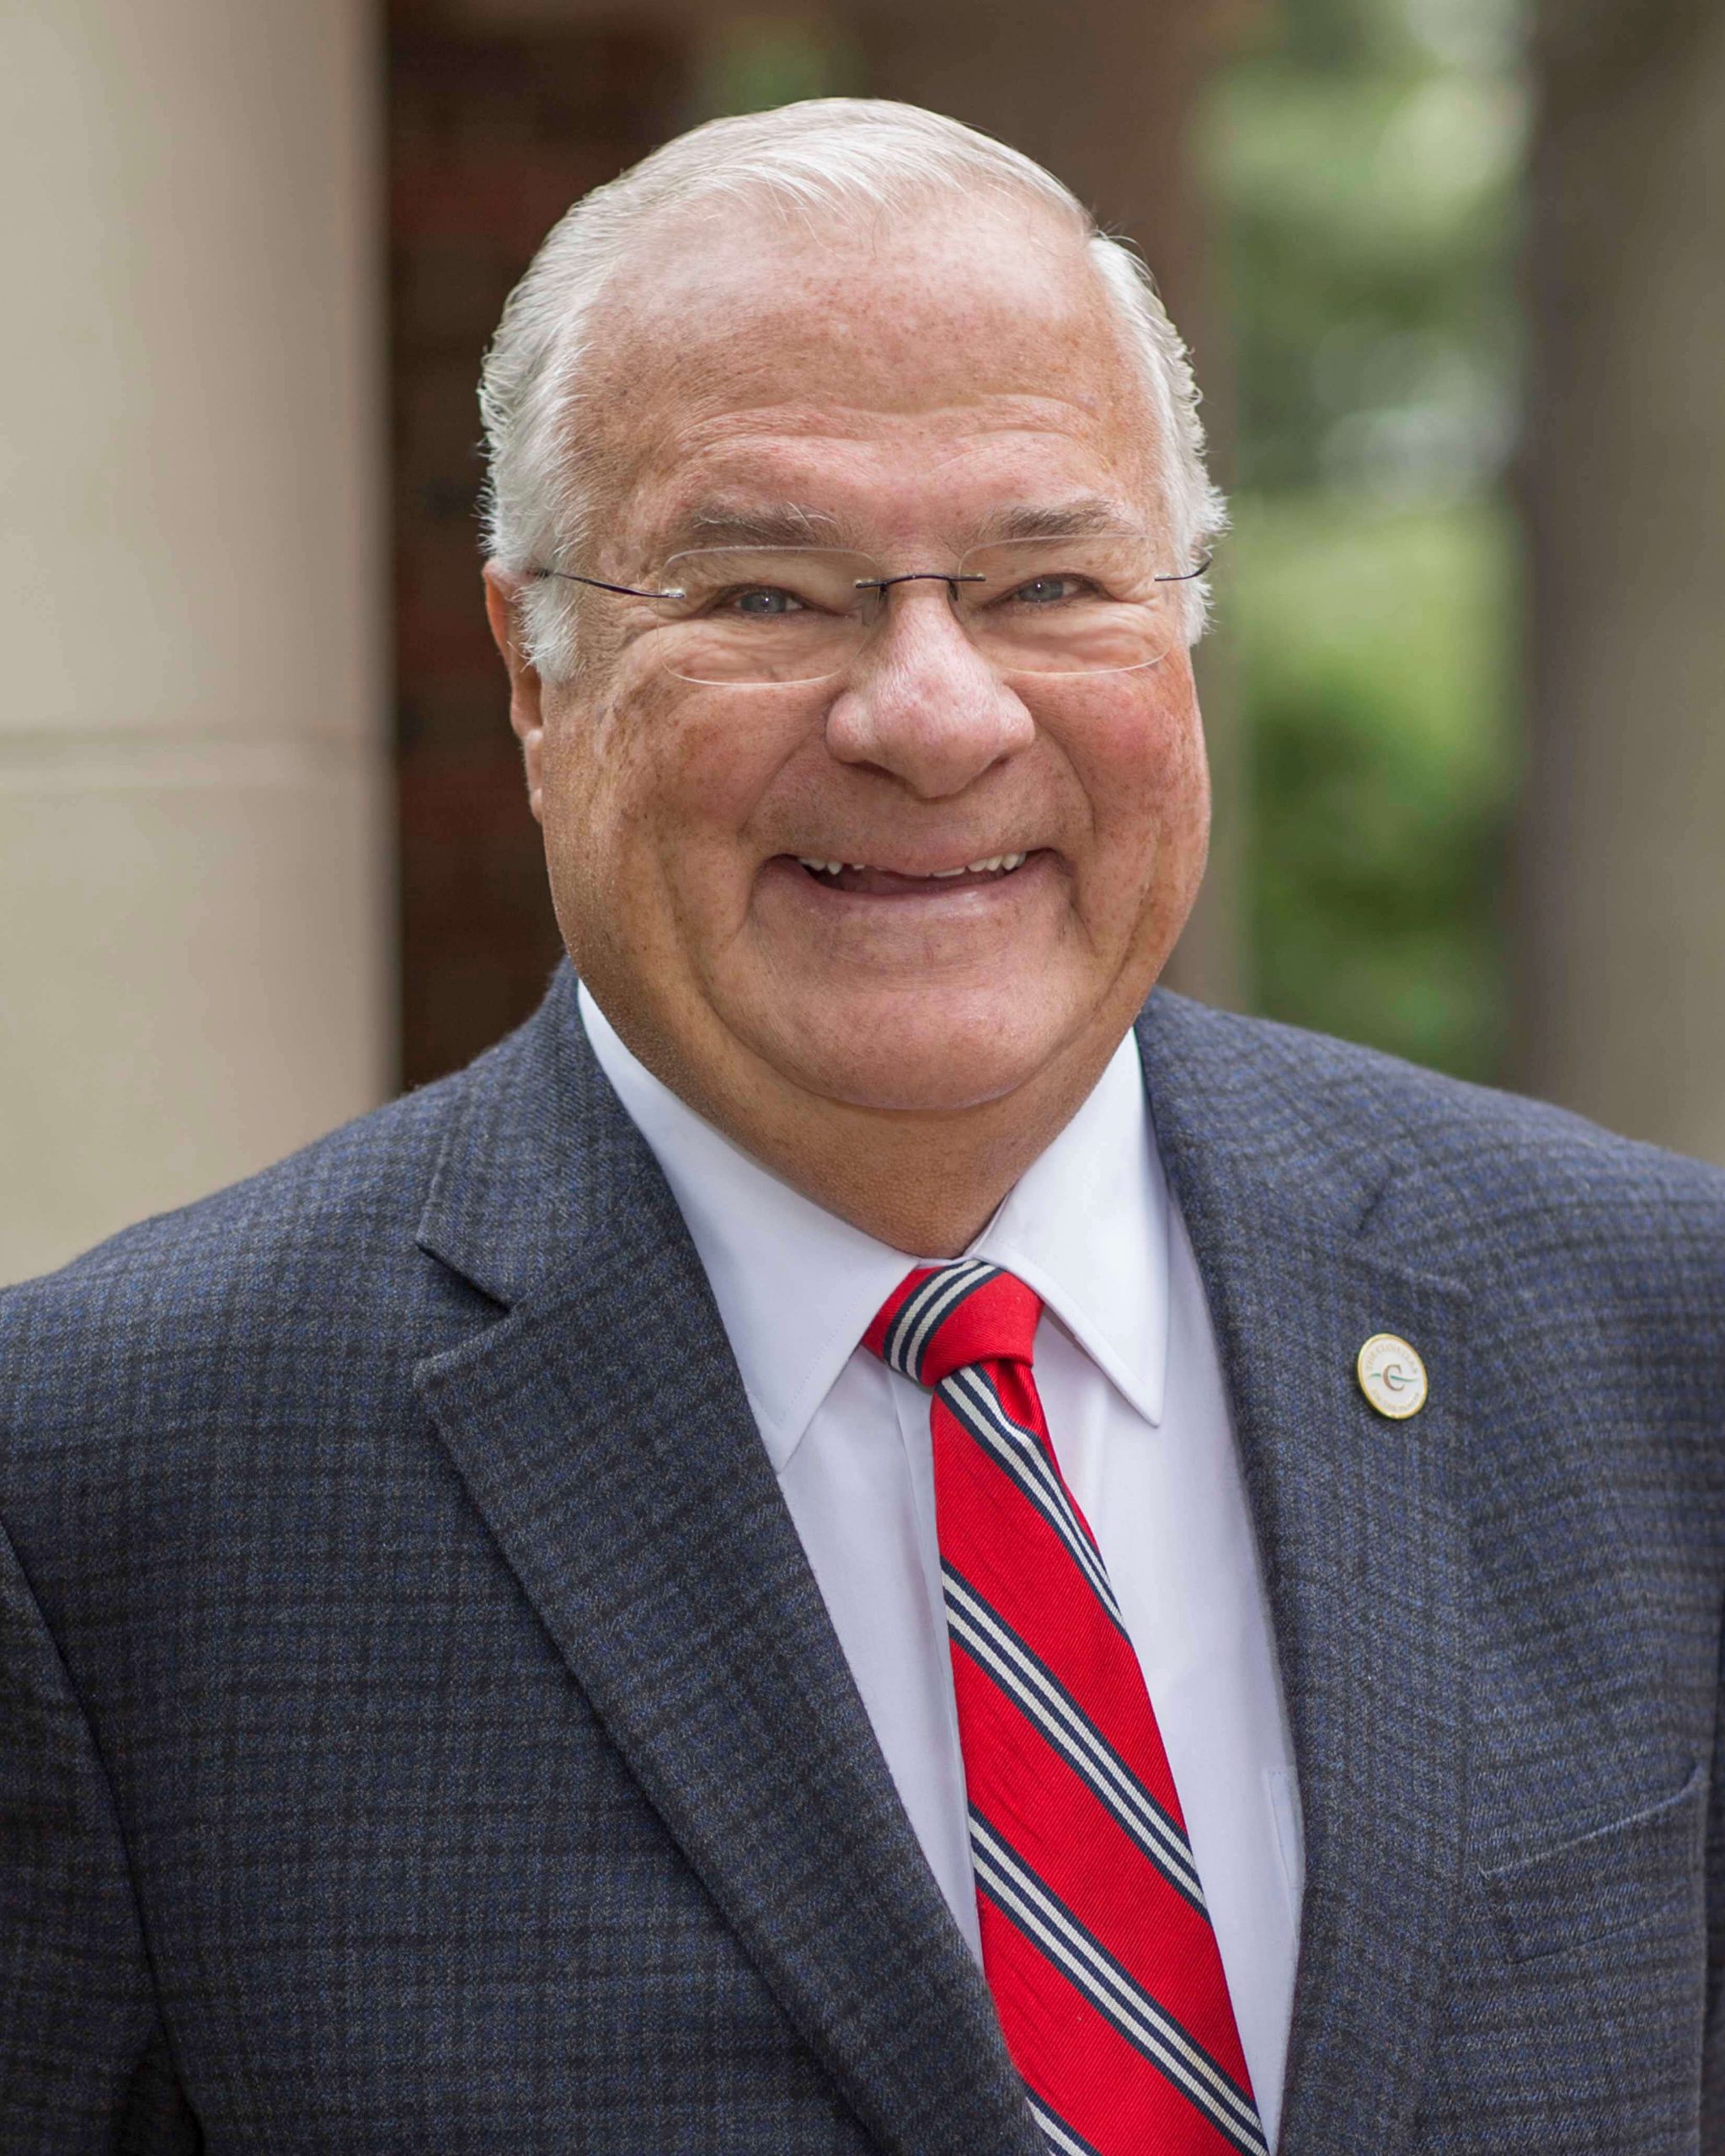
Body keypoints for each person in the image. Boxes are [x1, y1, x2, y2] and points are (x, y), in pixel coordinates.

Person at [2, 98, 1722, 2156]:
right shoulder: (102, 1491)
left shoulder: (1655, 1337)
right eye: (763, 594)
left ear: (1179, 622)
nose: (930, 712)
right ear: (535, 675)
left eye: (1046, 578)